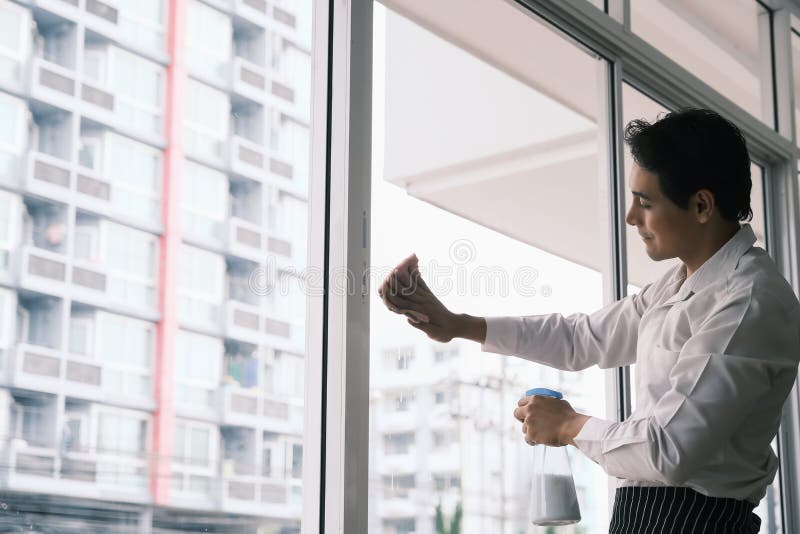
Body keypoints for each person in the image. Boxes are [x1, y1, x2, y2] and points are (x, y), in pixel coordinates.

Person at [377, 108, 800, 533]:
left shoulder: (748, 301)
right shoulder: (678, 284)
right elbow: (581, 337)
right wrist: (458, 325)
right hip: (644, 515)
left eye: (646, 202)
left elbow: (669, 449)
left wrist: (567, 425)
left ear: (702, 205)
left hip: (697, 523)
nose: (632, 217)